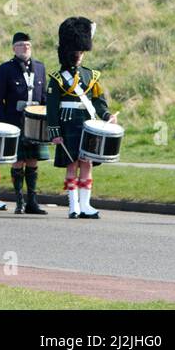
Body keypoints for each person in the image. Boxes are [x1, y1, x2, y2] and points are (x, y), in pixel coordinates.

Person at [48, 17, 115, 220]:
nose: (78, 56)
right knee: (72, 164)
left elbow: (98, 101)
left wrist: (107, 115)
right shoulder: (57, 78)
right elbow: (51, 109)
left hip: (88, 124)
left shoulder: (92, 76)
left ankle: (85, 205)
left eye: (81, 52)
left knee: (87, 163)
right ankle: (73, 205)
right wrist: (54, 132)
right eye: (75, 52)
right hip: (68, 123)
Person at [0, 31, 48, 214]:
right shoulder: (6, 68)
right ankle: (19, 202)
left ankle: (32, 202)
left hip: (35, 123)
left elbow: (44, 97)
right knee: (17, 161)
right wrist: (2, 125)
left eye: (27, 45)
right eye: (20, 45)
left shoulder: (40, 67)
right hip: (14, 121)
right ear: (13, 48)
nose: (25, 48)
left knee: (33, 160)